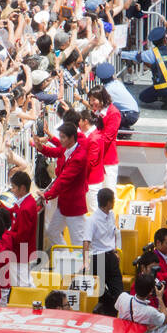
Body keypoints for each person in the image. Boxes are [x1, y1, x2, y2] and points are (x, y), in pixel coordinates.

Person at [40, 121, 89, 248]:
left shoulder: (79, 157)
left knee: (78, 241)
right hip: (64, 204)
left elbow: (63, 179)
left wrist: (47, 195)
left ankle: (81, 266)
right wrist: (40, 147)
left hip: (74, 206)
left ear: (71, 138)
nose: (60, 140)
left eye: (63, 137)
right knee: (52, 232)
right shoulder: (68, 149)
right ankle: (67, 259)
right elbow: (54, 152)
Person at [120, 26, 167, 110]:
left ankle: (164, 98)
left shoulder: (150, 54)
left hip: (162, 89)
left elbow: (135, 56)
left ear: (153, 43)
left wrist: (120, 53)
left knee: (143, 97)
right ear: (165, 39)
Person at [82, 188, 124, 318]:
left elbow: (114, 233)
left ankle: (115, 314)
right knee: (99, 292)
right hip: (98, 258)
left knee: (118, 289)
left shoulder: (111, 215)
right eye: (113, 200)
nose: (115, 202)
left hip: (111, 256)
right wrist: (86, 262)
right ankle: (104, 312)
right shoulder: (92, 220)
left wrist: (116, 251)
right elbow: (86, 242)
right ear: (108, 203)